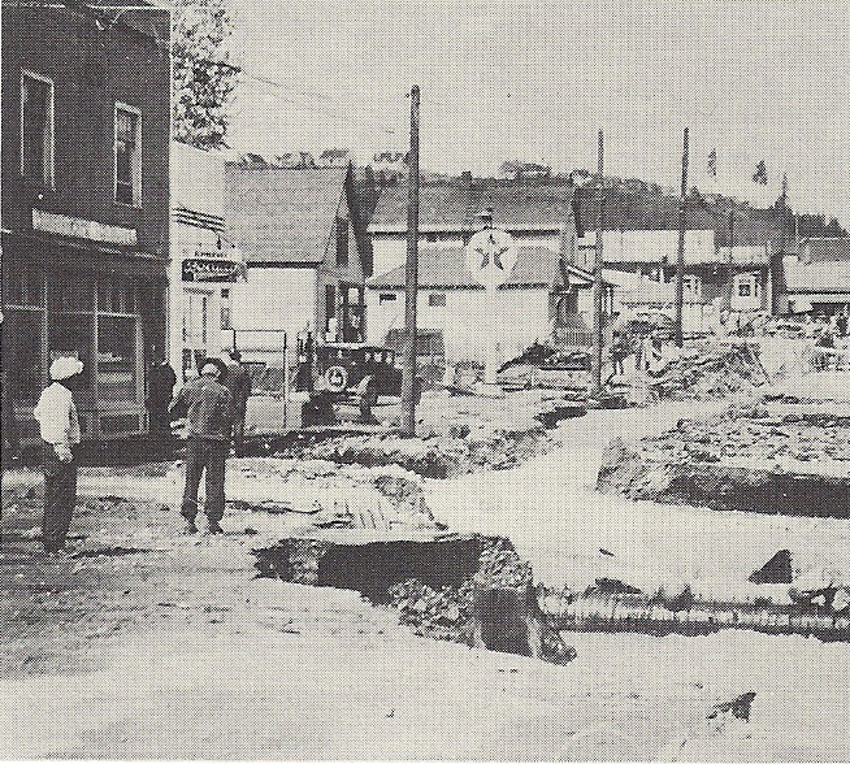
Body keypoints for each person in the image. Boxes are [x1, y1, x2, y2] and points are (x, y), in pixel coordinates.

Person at [170, 362, 232, 535]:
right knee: (215, 481)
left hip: (195, 441)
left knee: (192, 479)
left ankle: (189, 521)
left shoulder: (190, 387)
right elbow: (229, 418)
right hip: (216, 442)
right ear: (218, 374)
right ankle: (213, 522)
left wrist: (190, 416)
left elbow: (173, 409)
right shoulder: (223, 392)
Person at [33, 357, 84, 554]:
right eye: (75, 377)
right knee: (63, 497)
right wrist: (64, 452)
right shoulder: (62, 396)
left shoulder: (48, 393)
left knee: (52, 495)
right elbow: (59, 427)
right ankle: (55, 543)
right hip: (59, 450)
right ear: (68, 377)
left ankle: (50, 537)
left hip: (49, 449)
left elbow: (37, 413)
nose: (77, 381)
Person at [222, 349, 251, 457]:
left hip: (226, 404)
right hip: (239, 404)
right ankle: (239, 452)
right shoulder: (242, 371)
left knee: (226, 427)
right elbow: (247, 390)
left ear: (230, 358)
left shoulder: (225, 371)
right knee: (238, 428)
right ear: (239, 359)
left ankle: (225, 451)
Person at [146, 353, 177, 443]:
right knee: (158, 417)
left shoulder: (166, 370)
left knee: (162, 417)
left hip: (162, 399)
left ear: (159, 358)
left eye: (155, 358)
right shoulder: (158, 369)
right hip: (157, 399)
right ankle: (159, 436)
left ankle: (163, 437)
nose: (154, 361)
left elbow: (170, 382)